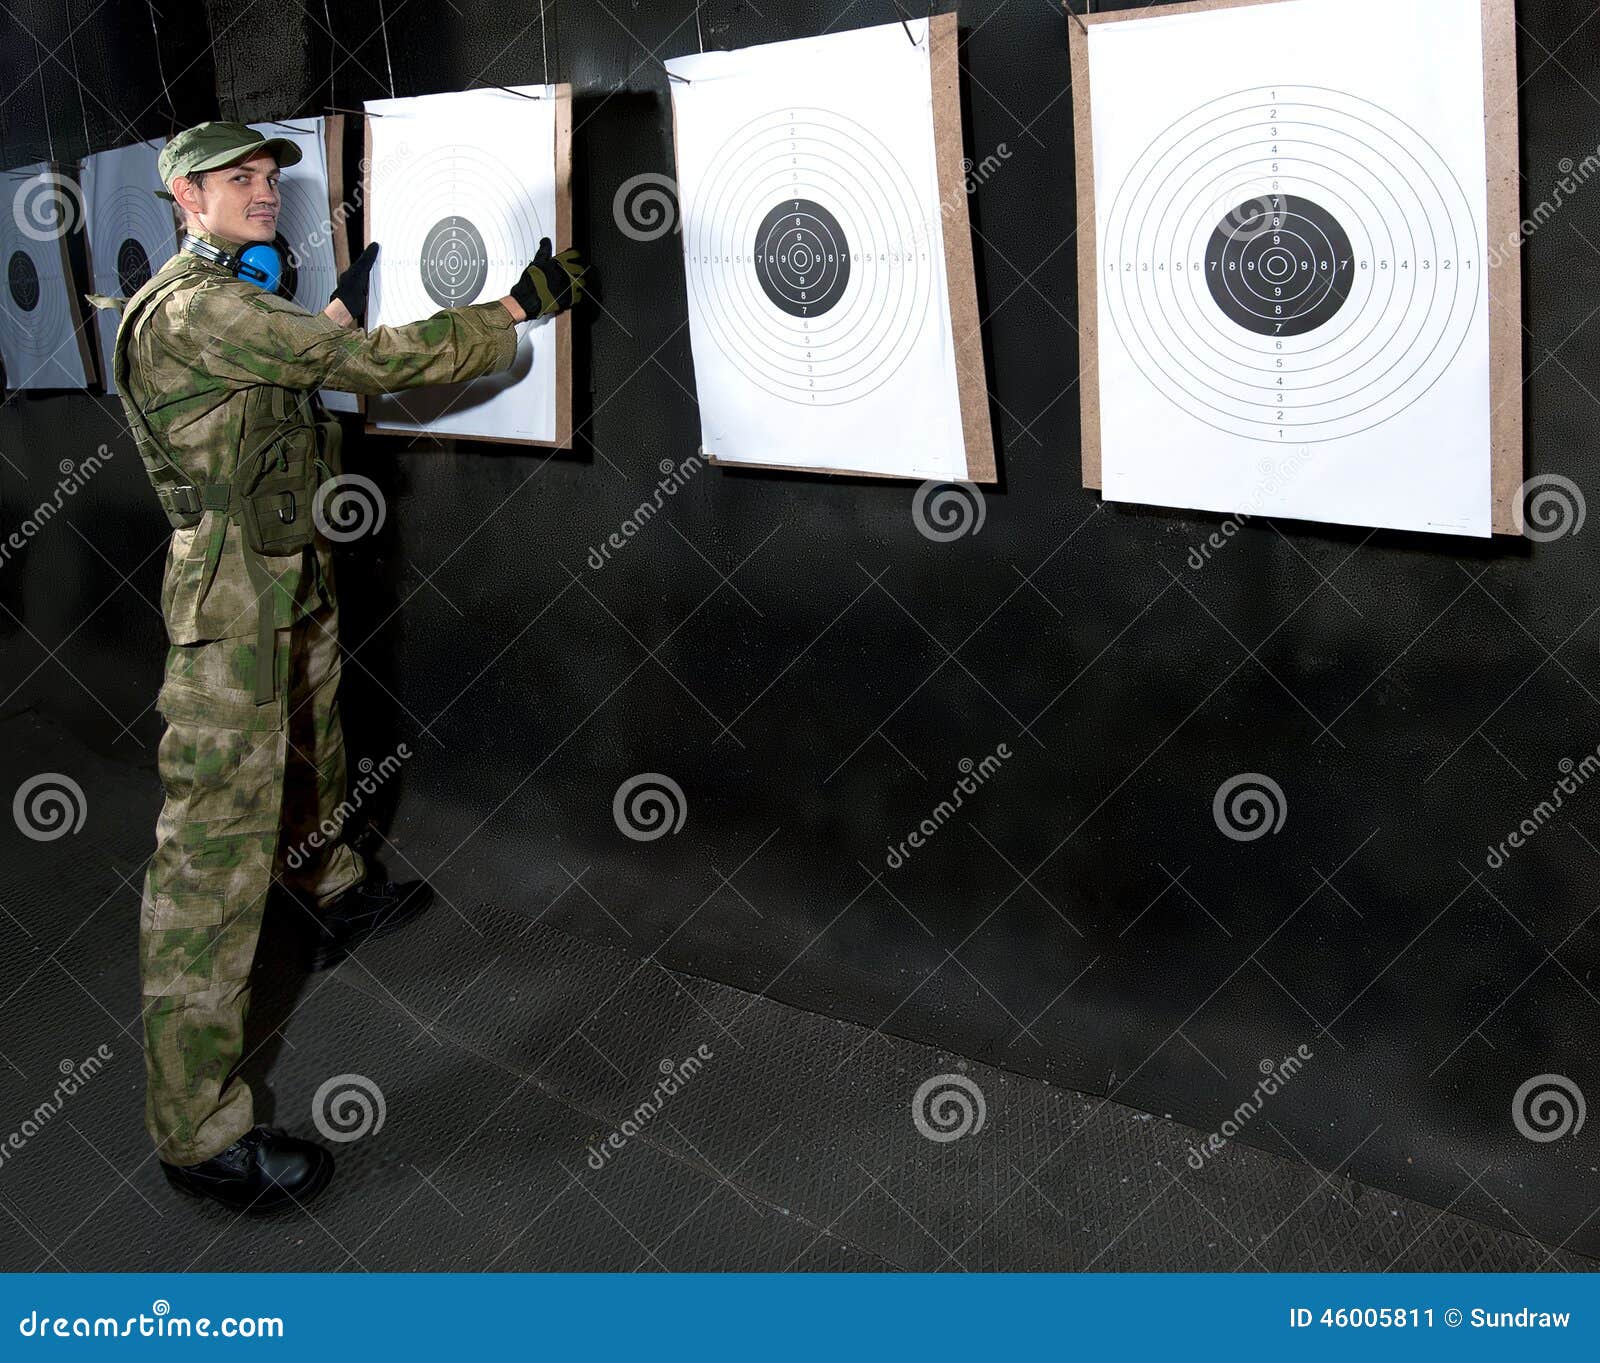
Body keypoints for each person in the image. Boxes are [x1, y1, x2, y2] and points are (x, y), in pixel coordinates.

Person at [111, 121, 587, 1215]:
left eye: (269, 175)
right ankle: (198, 1131)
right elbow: (364, 367)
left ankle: (330, 893)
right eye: (238, 179)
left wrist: (318, 319)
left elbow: (270, 377)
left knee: (317, 745)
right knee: (212, 865)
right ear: (187, 196)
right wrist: (514, 309)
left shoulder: (234, 300)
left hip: (282, 569)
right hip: (231, 600)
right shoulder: (200, 305)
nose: (263, 190)